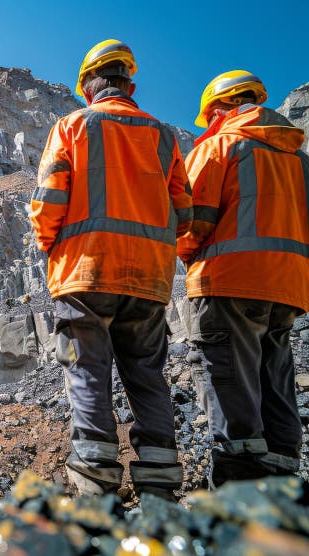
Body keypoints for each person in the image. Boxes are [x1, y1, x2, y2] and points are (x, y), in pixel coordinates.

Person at [28, 39, 192, 498]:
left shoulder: (72, 127)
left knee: (86, 372)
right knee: (146, 374)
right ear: (130, 83)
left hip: (86, 273)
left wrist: (50, 246)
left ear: (88, 86)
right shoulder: (163, 136)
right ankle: (160, 486)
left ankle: (97, 486)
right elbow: (186, 210)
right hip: (148, 280)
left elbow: (48, 201)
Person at [178, 70, 309, 487]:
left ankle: (239, 493)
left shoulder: (218, 146)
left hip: (228, 282)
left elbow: (191, 224)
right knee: (275, 377)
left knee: (227, 379)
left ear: (219, 108)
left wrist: (187, 258)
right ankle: (286, 483)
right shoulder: (299, 159)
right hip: (287, 288)